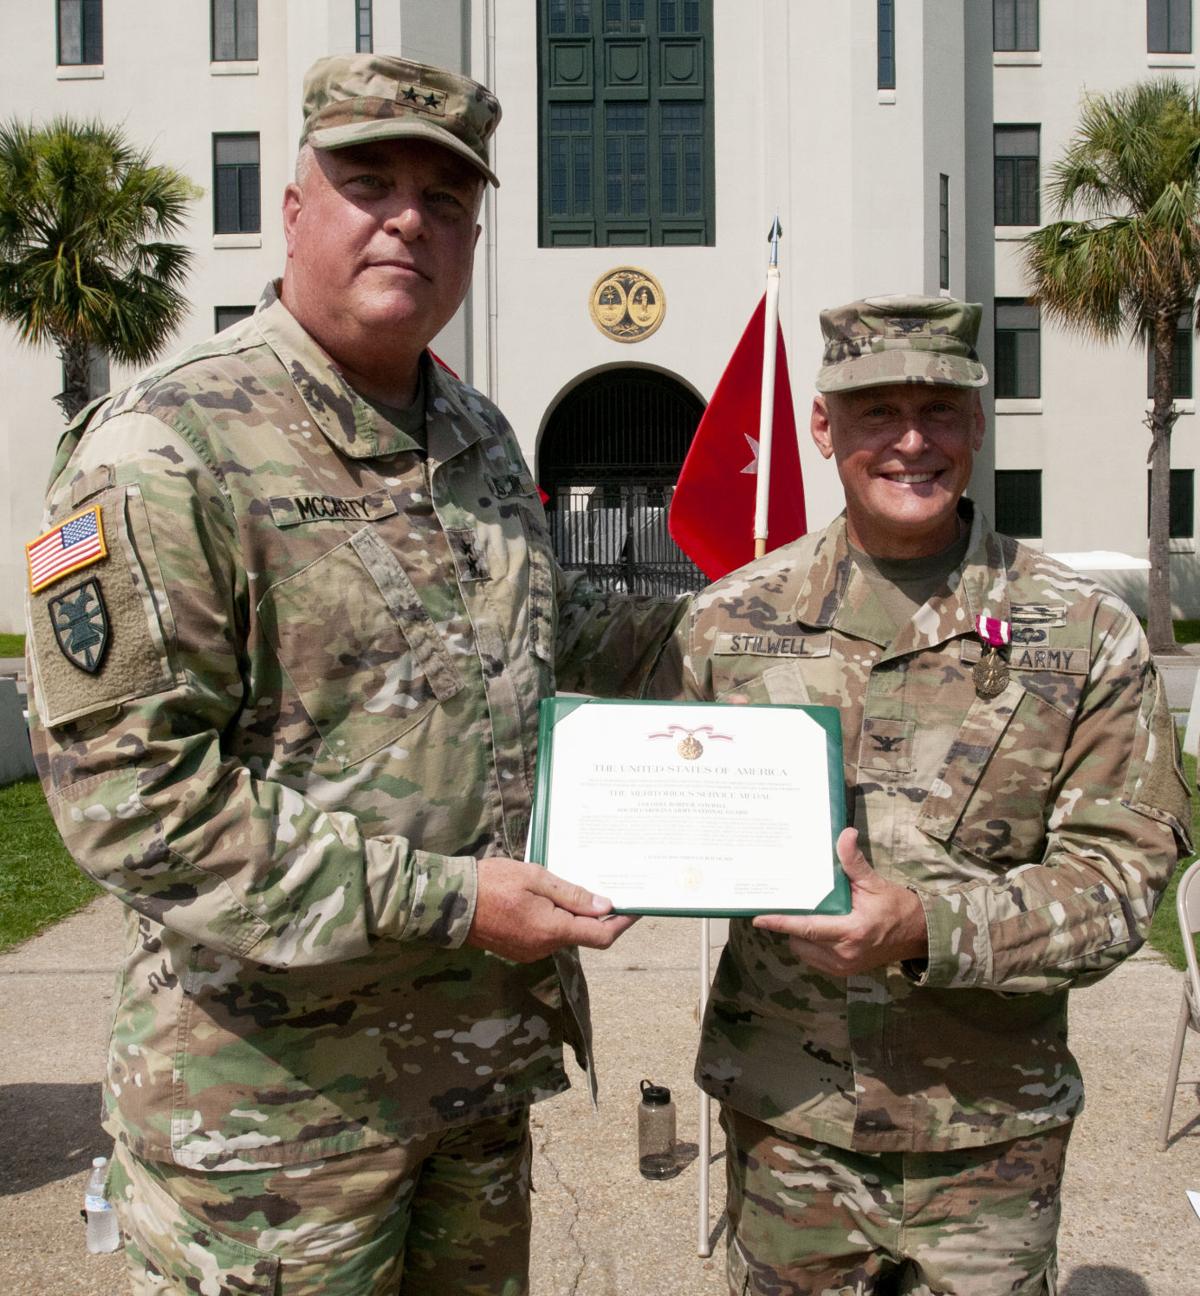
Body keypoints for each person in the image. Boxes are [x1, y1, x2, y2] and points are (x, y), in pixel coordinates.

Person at [23, 54, 684, 1295]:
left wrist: (786, 623)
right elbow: (139, 806)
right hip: (270, 1127)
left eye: (444, 201)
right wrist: (456, 902)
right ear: (291, 212)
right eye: (369, 182)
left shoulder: (478, 434)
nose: (408, 221)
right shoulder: (167, 447)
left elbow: (562, 631)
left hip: (473, 1089)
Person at [649, 295, 1191, 1295]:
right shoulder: (729, 623)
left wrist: (927, 929)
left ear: (979, 425)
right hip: (788, 1126)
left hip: (986, 1138)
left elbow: (1119, 887)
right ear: (822, 426)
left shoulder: (1081, 632)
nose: (911, 441)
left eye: (940, 410)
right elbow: (653, 798)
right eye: (874, 412)